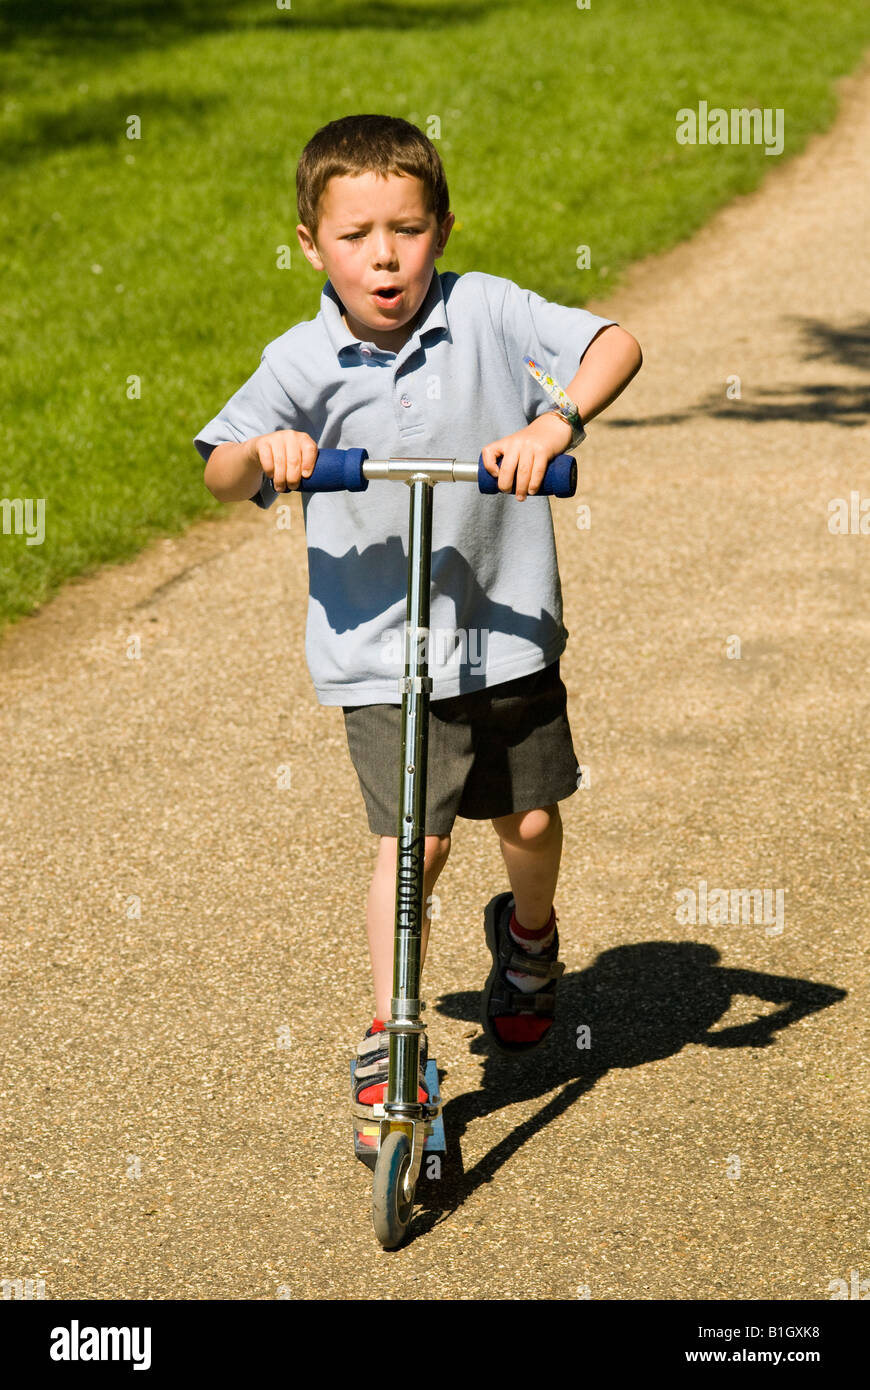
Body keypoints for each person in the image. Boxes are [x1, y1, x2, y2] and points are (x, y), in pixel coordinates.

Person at [193, 114, 642, 1115]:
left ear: (442, 227)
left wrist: (553, 422)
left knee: (531, 819)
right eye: (355, 235)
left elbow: (616, 343)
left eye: (407, 228)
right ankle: (391, 1028)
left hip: (506, 630)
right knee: (416, 844)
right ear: (310, 244)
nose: (385, 256)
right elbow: (220, 468)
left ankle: (529, 939)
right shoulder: (299, 361)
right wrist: (265, 453)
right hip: (381, 651)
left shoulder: (485, 310)